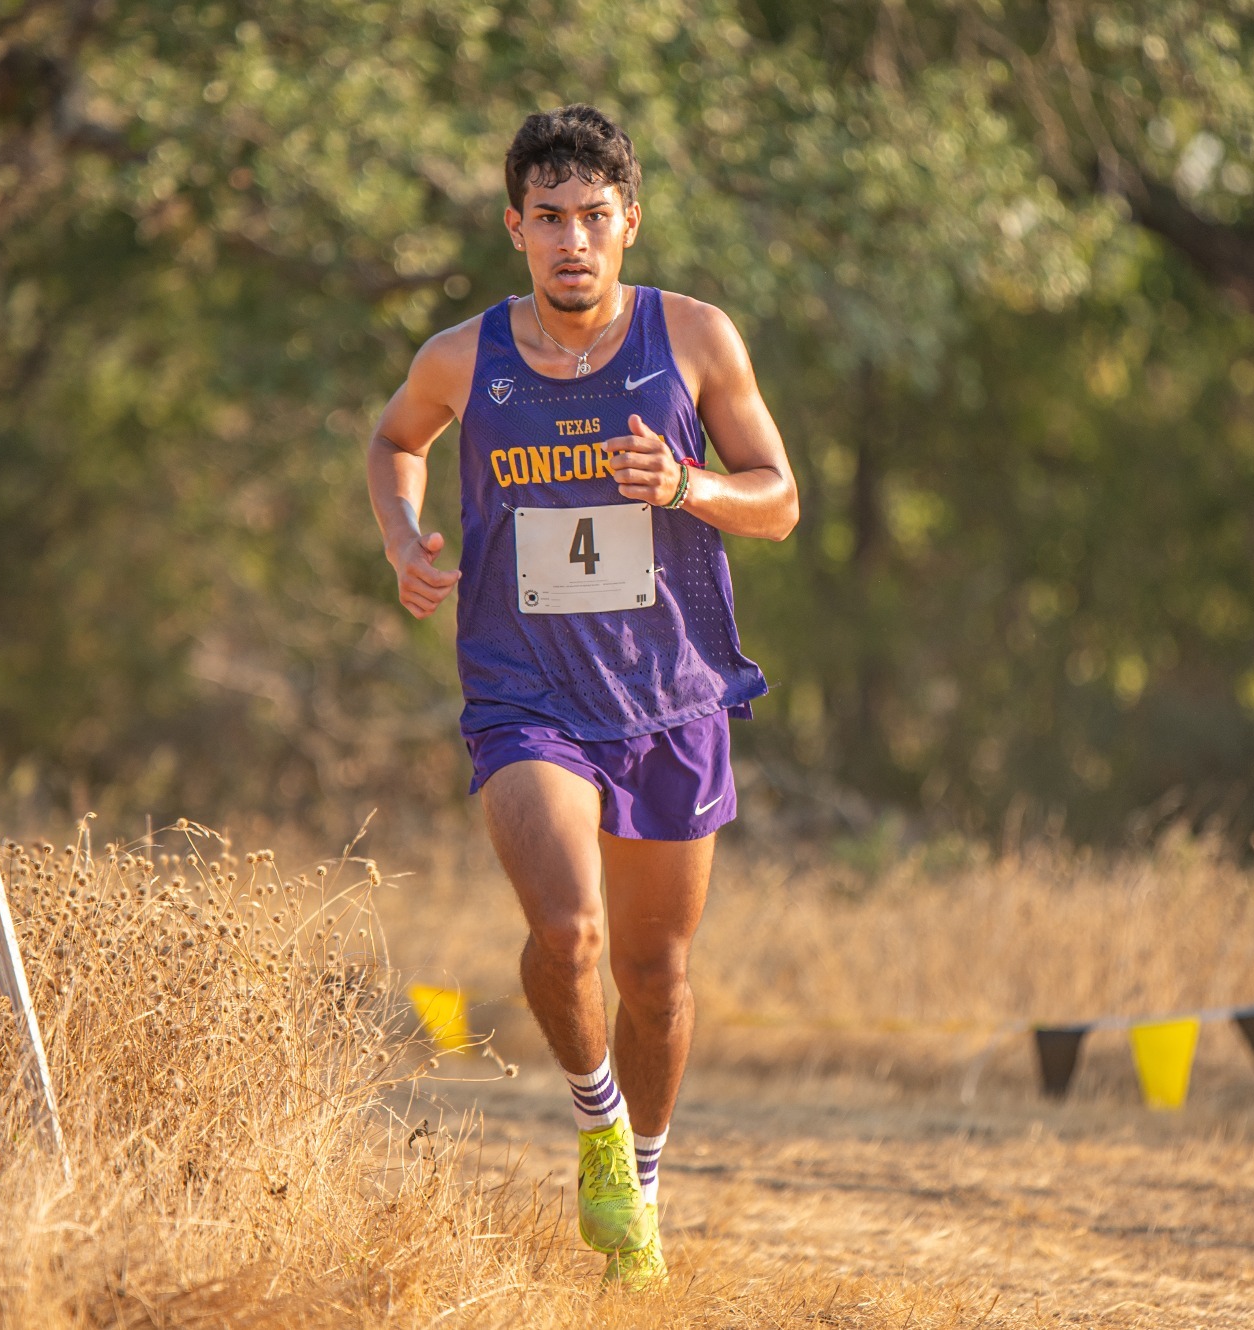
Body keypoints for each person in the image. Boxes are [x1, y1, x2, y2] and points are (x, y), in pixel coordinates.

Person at [364, 104, 798, 1290]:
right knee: (569, 931)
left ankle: (643, 1182)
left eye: (592, 218)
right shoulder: (465, 356)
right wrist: (403, 537)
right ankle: (598, 1120)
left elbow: (781, 498)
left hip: (670, 697)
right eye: (546, 218)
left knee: (655, 978)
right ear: (514, 228)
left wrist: (690, 482)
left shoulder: (696, 338)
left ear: (627, 225)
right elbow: (393, 439)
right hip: (524, 697)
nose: (570, 240)